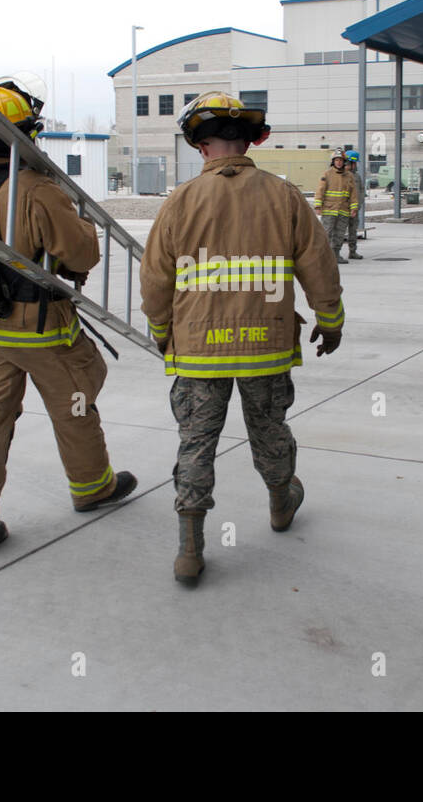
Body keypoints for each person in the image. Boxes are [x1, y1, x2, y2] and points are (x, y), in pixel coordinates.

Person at [141, 92, 344, 587]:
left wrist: (162, 331)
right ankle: (280, 502)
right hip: (266, 347)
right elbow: (319, 265)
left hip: (197, 350)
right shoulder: (285, 195)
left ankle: (190, 549)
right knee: (269, 428)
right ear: (251, 139)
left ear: (199, 144)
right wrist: (330, 319)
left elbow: (155, 282)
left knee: (196, 442)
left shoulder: (180, 201)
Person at [0, 75, 137, 556]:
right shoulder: (34, 187)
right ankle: (94, 487)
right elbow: (80, 254)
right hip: (40, 329)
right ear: (24, 134)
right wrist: (83, 224)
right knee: (74, 409)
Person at [314, 150, 355, 265]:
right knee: (326, 233)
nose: (339, 162)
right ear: (333, 162)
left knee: (340, 234)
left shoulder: (349, 176)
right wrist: (318, 206)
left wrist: (354, 208)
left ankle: (336, 255)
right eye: (336, 160)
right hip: (329, 210)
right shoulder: (326, 175)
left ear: (344, 162)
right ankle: (323, 256)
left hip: (343, 210)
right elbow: (320, 191)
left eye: (341, 160)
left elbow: (353, 193)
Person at [343, 150, 365, 260]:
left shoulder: (357, 176)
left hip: (354, 209)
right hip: (342, 209)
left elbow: (361, 190)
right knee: (338, 232)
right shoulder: (340, 175)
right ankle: (333, 253)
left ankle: (352, 251)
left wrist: (358, 204)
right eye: (354, 163)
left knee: (353, 230)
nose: (355, 166)